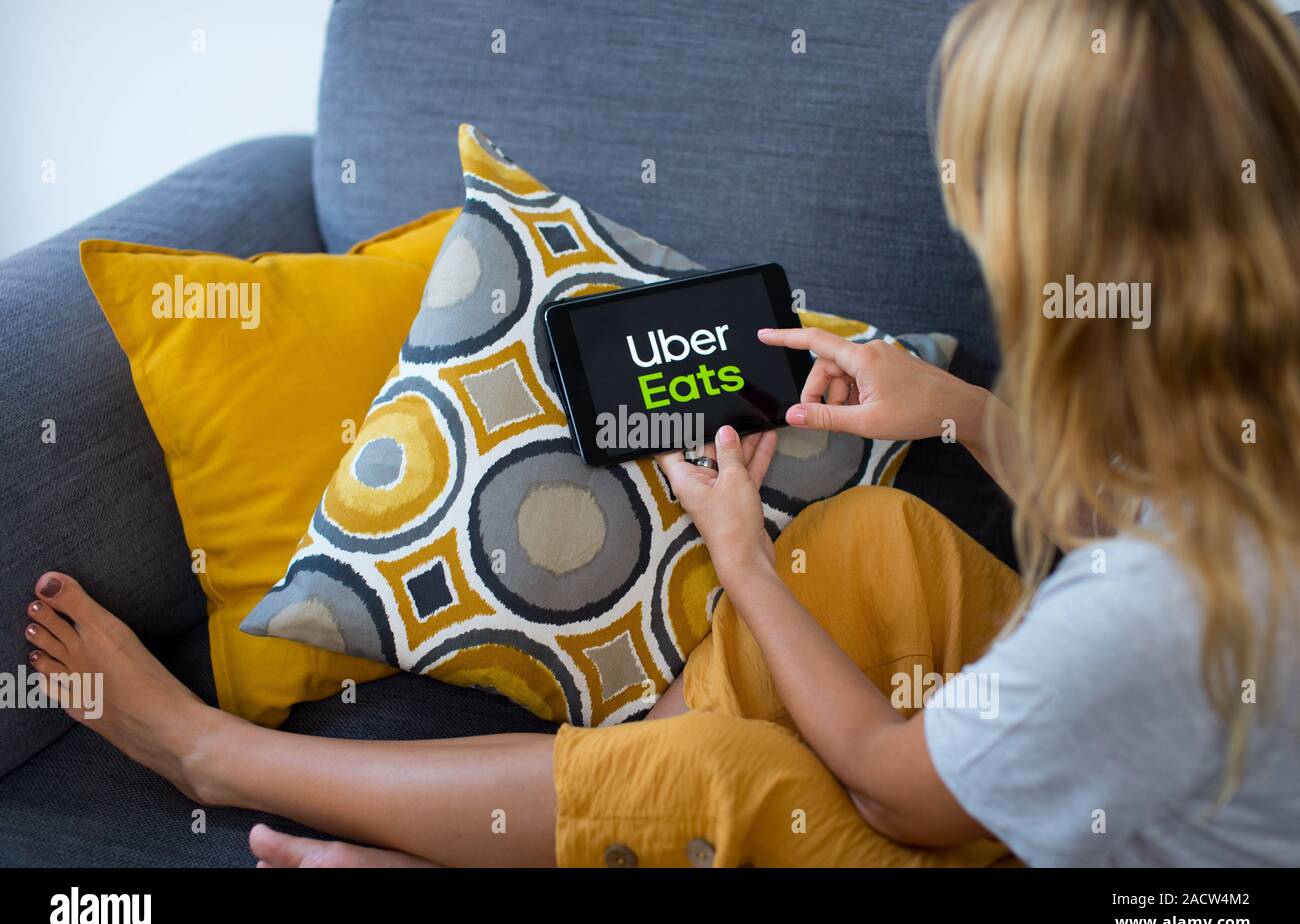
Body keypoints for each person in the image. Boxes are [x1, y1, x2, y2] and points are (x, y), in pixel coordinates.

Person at [23, 0, 1300, 866]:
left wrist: (736, 551)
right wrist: (959, 412)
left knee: (712, 783)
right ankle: (546, 832)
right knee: (869, 544)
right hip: (1104, 741)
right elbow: (1120, 510)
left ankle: (219, 758)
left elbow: (891, 788)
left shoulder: (1157, 614)